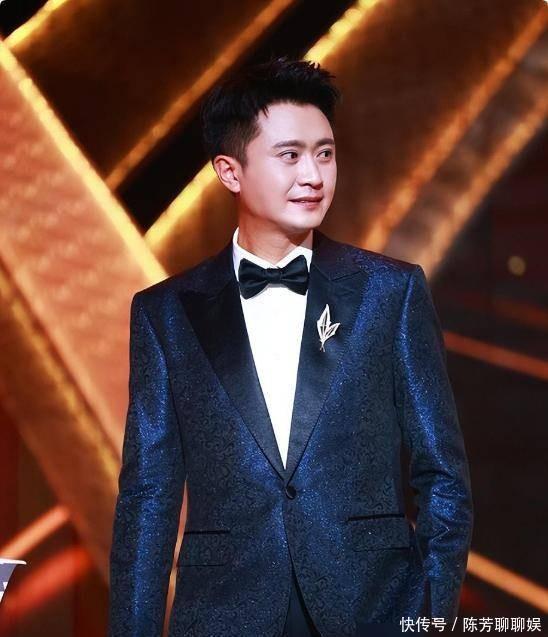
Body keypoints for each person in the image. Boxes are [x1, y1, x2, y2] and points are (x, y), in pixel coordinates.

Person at [108, 57, 473, 637]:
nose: (314, 175)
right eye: (290, 155)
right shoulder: (165, 314)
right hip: (222, 615)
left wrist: (425, 621)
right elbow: (148, 497)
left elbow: (443, 477)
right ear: (229, 171)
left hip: (371, 610)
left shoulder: (390, 292)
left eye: (325, 153)